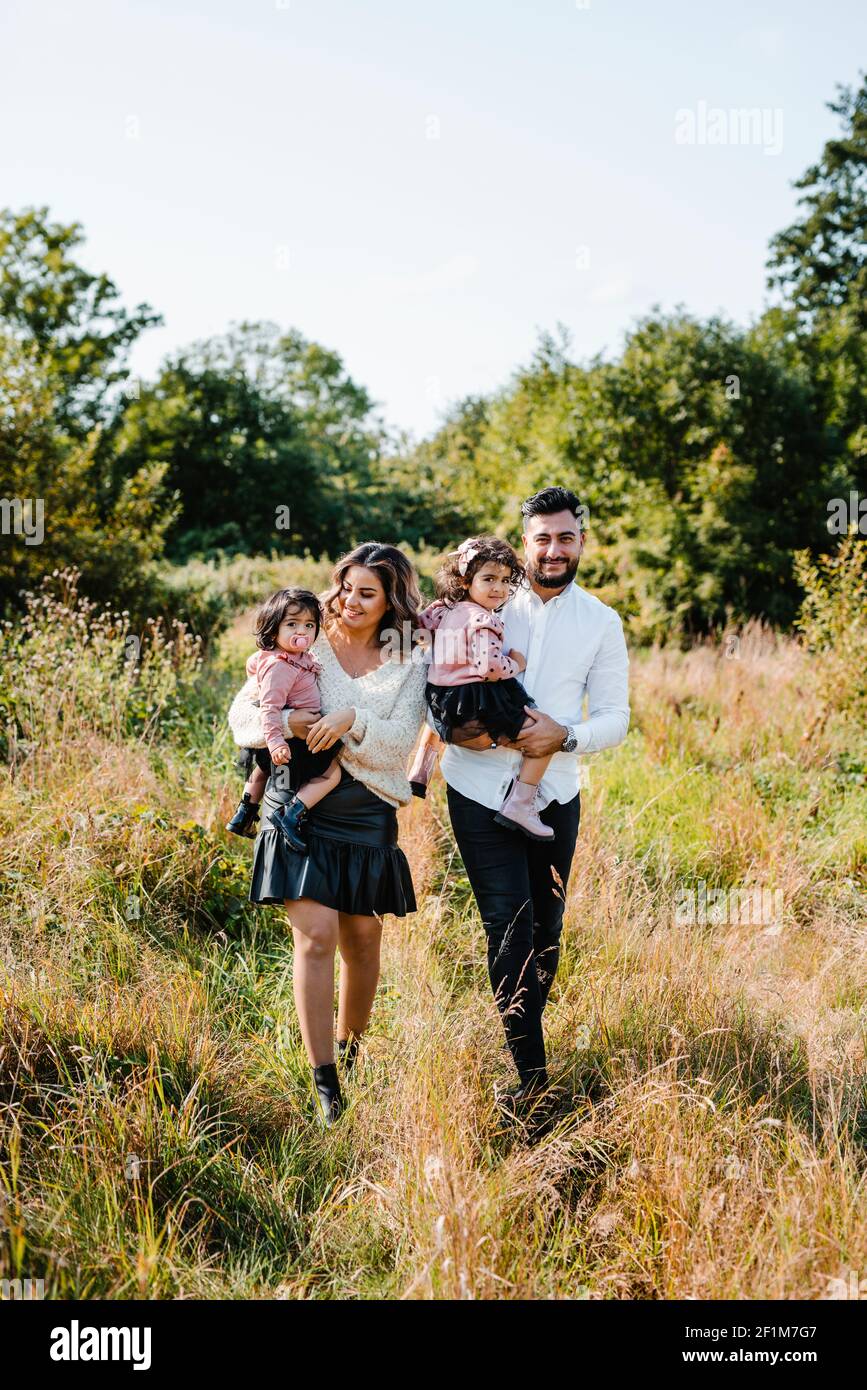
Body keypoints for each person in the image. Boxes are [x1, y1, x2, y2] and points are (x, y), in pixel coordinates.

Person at [440, 486, 630, 1128]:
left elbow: (615, 718)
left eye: (565, 537)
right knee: (510, 927)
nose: (553, 549)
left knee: (547, 934)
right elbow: (435, 682)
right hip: (476, 787)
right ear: (525, 543)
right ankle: (533, 1084)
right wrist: (453, 730)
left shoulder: (602, 622)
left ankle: (526, 1043)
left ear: (582, 540)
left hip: (556, 794)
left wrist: (565, 736)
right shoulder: (483, 601)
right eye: (542, 538)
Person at [228, 543, 427, 1127]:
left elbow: (398, 743)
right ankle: (325, 1083)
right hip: (298, 800)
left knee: (361, 938)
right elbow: (243, 716)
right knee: (314, 935)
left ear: (393, 599)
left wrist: (352, 720)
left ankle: (353, 1051)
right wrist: (292, 722)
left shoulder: (409, 657)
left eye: (370, 592)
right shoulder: (305, 633)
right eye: (347, 588)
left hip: (367, 808)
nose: (352, 601)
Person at [408, 535, 557, 841]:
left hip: (441, 695)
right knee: (543, 736)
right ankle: (521, 804)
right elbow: (488, 668)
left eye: (505, 581)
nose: (498, 589)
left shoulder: (442, 608)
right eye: (489, 579)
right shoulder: (483, 620)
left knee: (438, 722)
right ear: (465, 581)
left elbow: (418, 628)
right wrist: (515, 663)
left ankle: (420, 768)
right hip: (474, 698)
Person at [225, 588, 341, 846]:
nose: (302, 632)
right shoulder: (280, 666)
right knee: (331, 775)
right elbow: (269, 707)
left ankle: (245, 812)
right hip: (293, 741)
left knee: (262, 767)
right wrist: (276, 742)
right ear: (273, 629)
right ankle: (292, 813)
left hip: (281, 737)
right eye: (292, 624)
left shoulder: (292, 657)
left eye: (309, 625)